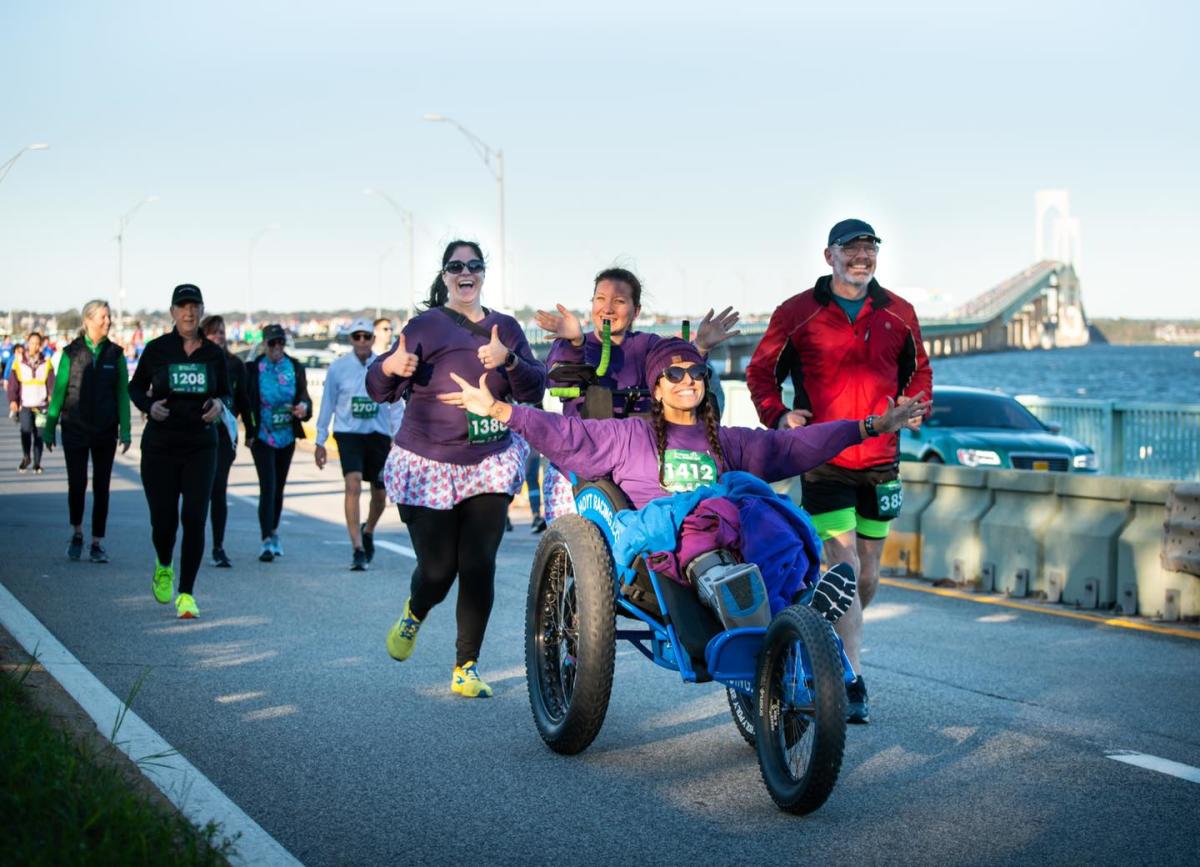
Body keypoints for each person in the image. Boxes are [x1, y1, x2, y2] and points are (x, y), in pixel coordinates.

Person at [439, 338, 927, 621]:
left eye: (697, 371)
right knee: (709, 509)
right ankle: (738, 603)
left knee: (761, 506)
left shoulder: (727, 442)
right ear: (656, 386)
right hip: (663, 553)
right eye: (675, 373)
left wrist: (870, 427)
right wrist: (500, 409)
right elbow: (565, 432)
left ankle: (801, 604)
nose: (689, 379)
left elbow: (792, 447)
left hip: (731, 541)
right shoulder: (629, 436)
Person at [745, 218, 932, 724]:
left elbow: (919, 371)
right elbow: (762, 372)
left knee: (867, 575)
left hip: (880, 461)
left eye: (869, 249)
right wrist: (779, 416)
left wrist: (918, 406)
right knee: (845, 567)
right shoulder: (797, 313)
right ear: (829, 256)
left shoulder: (899, 312)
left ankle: (820, 632)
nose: (861, 257)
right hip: (823, 457)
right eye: (851, 249)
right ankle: (849, 679)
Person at [366, 240, 546, 698]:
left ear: (484, 273)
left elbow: (534, 389)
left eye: (474, 265)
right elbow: (379, 390)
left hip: (488, 462)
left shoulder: (505, 327)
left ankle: (466, 666)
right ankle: (415, 611)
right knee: (438, 570)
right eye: (455, 266)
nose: (465, 272)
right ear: (445, 275)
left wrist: (509, 361)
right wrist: (391, 365)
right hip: (427, 463)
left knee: (478, 564)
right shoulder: (425, 326)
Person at [533, 268, 740, 524]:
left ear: (636, 310)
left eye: (619, 301)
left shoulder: (650, 345)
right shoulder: (570, 341)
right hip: (582, 463)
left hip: (640, 464)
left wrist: (700, 348)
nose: (607, 309)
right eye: (600, 299)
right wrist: (576, 343)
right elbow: (557, 380)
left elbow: (682, 373)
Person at [128, 284, 230, 618]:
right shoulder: (158, 349)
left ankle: (186, 593)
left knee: (195, 519)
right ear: (172, 312)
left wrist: (218, 403)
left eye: (194, 306)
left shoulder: (213, 354)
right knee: (164, 521)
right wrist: (148, 406)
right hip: (160, 445)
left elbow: (227, 393)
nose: (188, 313)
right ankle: (163, 564)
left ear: (201, 311)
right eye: (182, 307)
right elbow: (135, 387)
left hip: (201, 445)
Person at [44, 300, 132, 564]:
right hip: (75, 429)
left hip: (105, 430)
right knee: (77, 483)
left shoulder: (116, 354)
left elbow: (123, 394)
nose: (108, 321)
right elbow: (59, 392)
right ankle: (77, 533)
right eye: (103, 317)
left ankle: (97, 542)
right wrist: (49, 428)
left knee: (102, 486)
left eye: (108, 317)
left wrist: (125, 430)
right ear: (88, 320)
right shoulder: (70, 353)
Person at [315, 317, 391, 571]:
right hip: (349, 435)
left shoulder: (383, 364)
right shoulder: (338, 368)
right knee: (353, 484)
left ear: (372, 338)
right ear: (350, 339)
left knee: (380, 494)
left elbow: (396, 403)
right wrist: (320, 440)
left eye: (366, 337)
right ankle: (357, 547)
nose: (361, 341)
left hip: (378, 435)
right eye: (356, 336)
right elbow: (327, 403)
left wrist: (399, 437)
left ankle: (367, 530)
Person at [244, 323, 312, 562]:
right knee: (268, 486)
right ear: (264, 344)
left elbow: (304, 396)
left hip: (286, 436)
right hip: (262, 435)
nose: (277, 347)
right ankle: (265, 539)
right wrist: (248, 430)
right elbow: (245, 400)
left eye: (281, 343)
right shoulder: (253, 368)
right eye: (272, 343)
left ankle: (274, 532)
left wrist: (303, 407)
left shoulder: (294, 367)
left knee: (279, 488)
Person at [200, 314, 250, 568]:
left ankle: (218, 547)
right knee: (197, 492)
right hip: (195, 434)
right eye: (213, 332)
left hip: (223, 436)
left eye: (221, 332)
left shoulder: (234, 364)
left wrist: (250, 431)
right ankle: (193, 541)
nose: (218, 336)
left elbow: (243, 399)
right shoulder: (196, 360)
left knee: (218, 490)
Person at [8, 332, 54, 473]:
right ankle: (26, 456)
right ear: (28, 344)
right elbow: (13, 383)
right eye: (32, 343)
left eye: (37, 343)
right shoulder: (19, 362)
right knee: (26, 431)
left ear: (41, 346)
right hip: (25, 405)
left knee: (39, 435)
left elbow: (51, 382)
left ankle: (37, 463)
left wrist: (52, 397)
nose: (35, 346)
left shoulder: (47, 362)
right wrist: (13, 400)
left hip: (41, 406)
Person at [372, 317, 405, 437]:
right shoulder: (368, 357)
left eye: (391, 329)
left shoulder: (395, 356)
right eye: (385, 329)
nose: (390, 332)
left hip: (390, 416)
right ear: (375, 331)